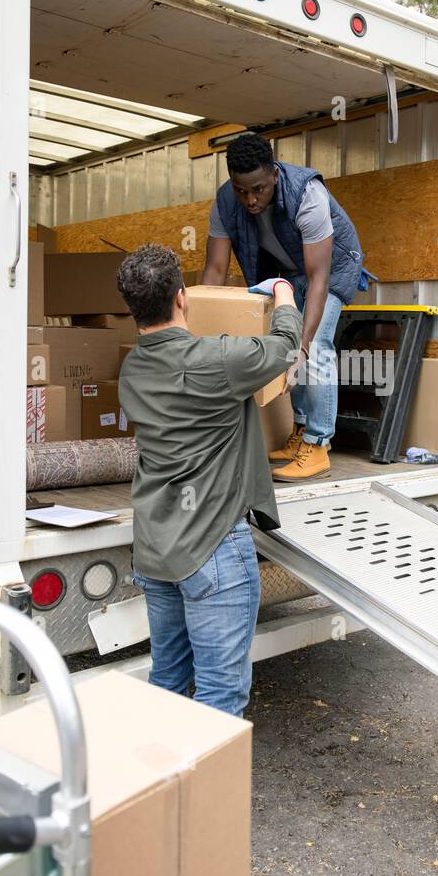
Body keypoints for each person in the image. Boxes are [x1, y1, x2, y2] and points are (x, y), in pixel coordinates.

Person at [117, 243, 302, 717]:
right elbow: (283, 347)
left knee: (168, 682)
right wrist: (281, 291)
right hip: (213, 549)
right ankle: (208, 793)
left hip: (156, 551)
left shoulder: (132, 370)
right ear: (182, 297)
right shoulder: (217, 361)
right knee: (220, 699)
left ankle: (164, 787)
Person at [202, 132, 367, 482]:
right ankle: (301, 430)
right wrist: (198, 336)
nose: (250, 199)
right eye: (241, 190)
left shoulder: (307, 194)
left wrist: (303, 346)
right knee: (285, 346)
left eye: (258, 189)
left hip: (332, 267)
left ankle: (318, 444)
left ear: (274, 175)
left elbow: (318, 276)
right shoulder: (224, 202)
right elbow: (215, 270)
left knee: (315, 346)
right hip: (286, 271)